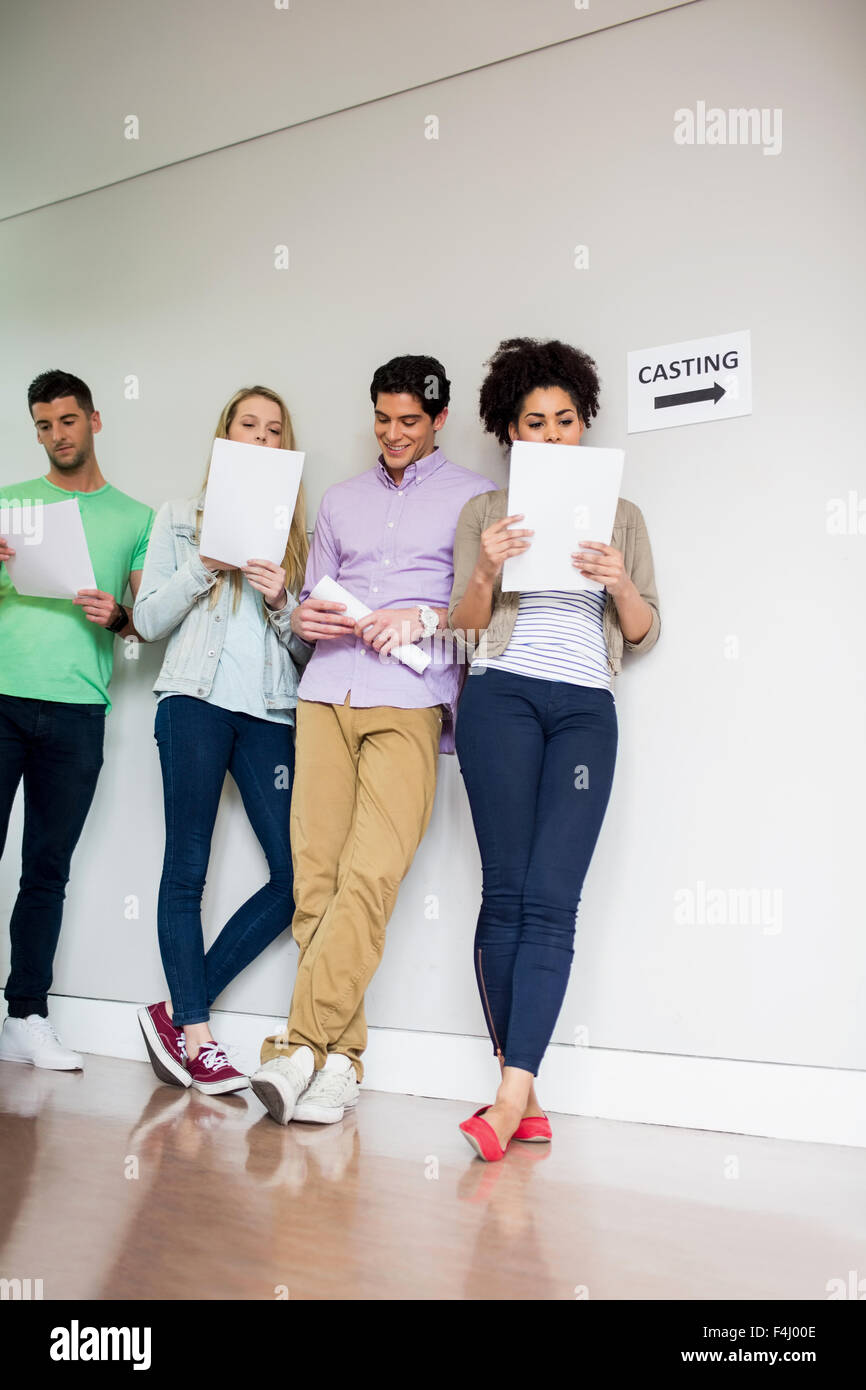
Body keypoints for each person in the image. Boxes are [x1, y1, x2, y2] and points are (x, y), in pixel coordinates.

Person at [250, 354, 497, 1125]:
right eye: (383, 420)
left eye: (410, 423)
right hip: (324, 692)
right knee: (315, 880)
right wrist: (300, 617)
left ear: (439, 421)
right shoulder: (340, 501)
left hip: (411, 699)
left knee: (371, 877)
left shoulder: (475, 501)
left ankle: (296, 1045)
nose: (393, 434)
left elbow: (480, 622)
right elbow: (305, 611)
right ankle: (338, 1062)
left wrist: (422, 619)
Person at [448, 337, 661, 1160]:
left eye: (565, 420)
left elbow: (642, 632)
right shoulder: (483, 514)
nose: (552, 435)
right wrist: (486, 573)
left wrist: (618, 581)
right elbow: (463, 635)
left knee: (552, 896)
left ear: (584, 423)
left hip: (584, 711)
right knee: (505, 893)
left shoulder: (625, 518)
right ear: (509, 430)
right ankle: (517, 1094)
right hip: (500, 698)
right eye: (533, 422)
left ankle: (508, 1097)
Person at [133, 386, 310, 1096]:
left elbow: (305, 653)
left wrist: (279, 602)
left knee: (297, 879)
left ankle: (177, 1010)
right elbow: (145, 621)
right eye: (249, 427)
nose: (261, 440)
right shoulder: (181, 517)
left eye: (274, 431)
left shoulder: (296, 533)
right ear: (225, 436)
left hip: (269, 714)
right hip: (194, 706)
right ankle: (199, 1037)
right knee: (188, 869)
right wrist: (206, 564)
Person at [0, 369, 154, 1070]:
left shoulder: (137, 518)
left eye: (66, 420)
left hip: (78, 711)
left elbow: (148, 622)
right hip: (2, 700)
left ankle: (27, 1012)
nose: (56, 435)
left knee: (46, 869)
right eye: (42, 424)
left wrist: (119, 617)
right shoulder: (9, 504)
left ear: (95, 420)